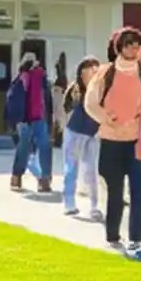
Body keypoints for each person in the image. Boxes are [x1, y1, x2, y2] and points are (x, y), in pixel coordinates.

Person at [84, 27, 141, 261]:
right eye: (128, 44)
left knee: (138, 191)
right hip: (110, 141)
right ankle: (113, 235)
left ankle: (136, 238)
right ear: (119, 47)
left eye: (137, 45)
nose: (133, 49)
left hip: (136, 141)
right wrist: (105, 118)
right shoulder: (104, 73)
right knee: (115, 192)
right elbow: (90, 103)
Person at [61, 56, 103, 219]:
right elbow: (65, 108)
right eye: (89, 69)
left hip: (91, 133)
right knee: (71, 167)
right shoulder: (77, 89)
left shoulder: (101, 89)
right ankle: (69, 203)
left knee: (91, 170)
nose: (92, 72)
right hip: (75, 132)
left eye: (95, 69)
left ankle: (94, 205)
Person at [6, 52, 54, 193]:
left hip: (28, 119)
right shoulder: (35, 78)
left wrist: (11, 121)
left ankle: (18, 177)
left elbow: (11, 101)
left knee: (25, 148)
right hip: (34, 117)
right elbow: (47, 99)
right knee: (40, 147)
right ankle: (42, 180)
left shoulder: (23, 78)